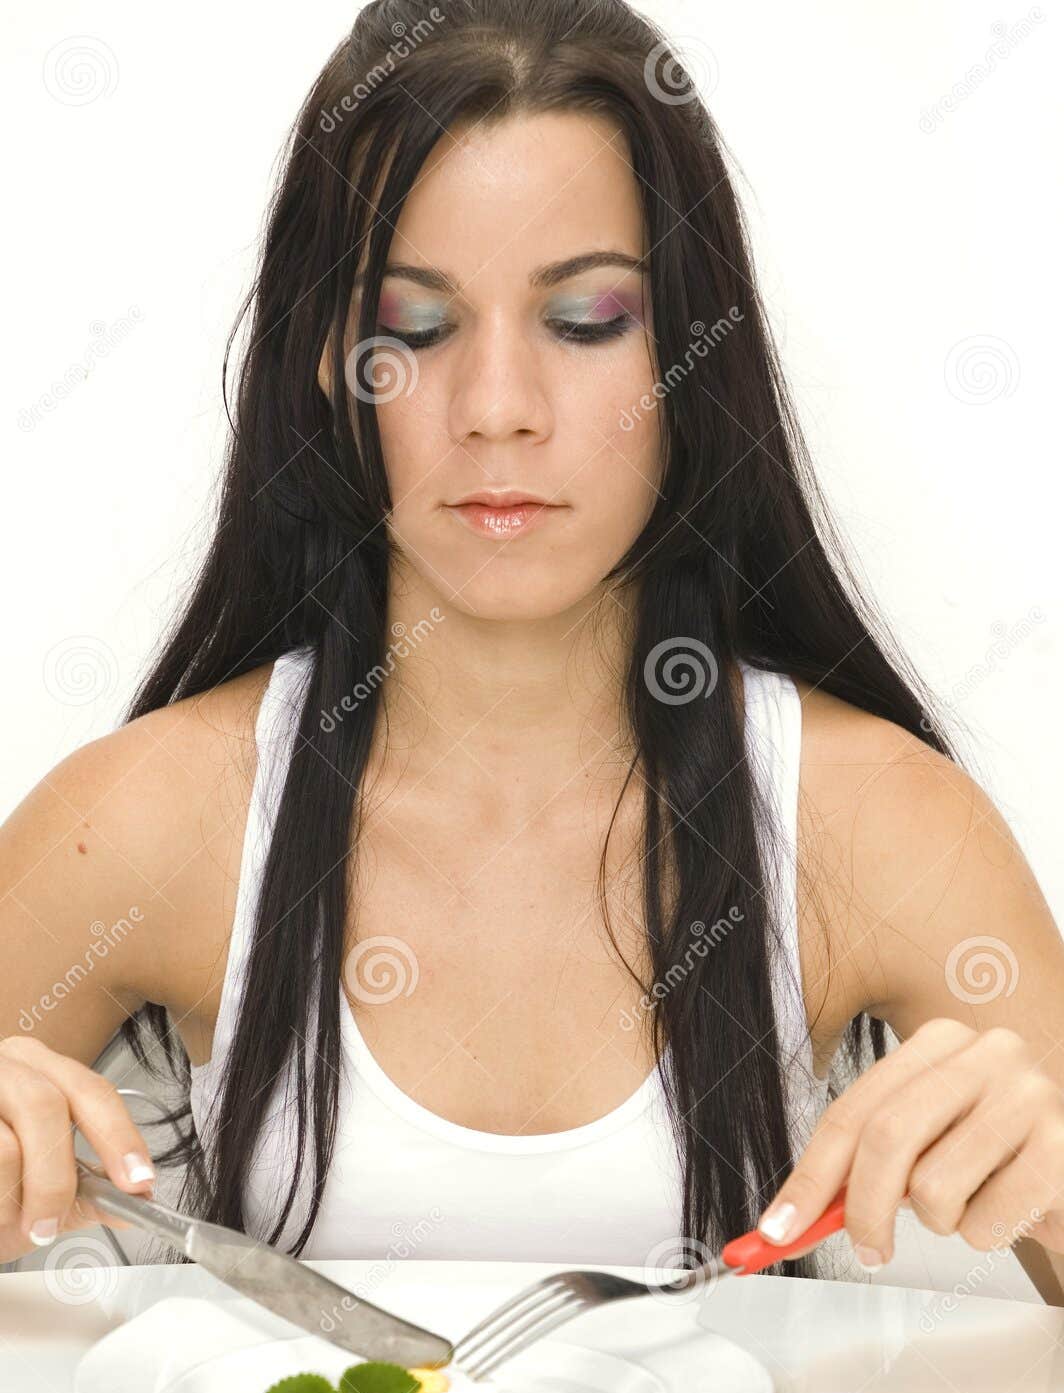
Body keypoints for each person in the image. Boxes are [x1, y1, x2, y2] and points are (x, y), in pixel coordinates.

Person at [2, 0, 1062, 1297]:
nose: (497, 410)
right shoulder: (144, 819)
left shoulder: (881, 821)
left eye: (584, 319)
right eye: (419, 325)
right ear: (332, 362)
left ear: (687, 354)